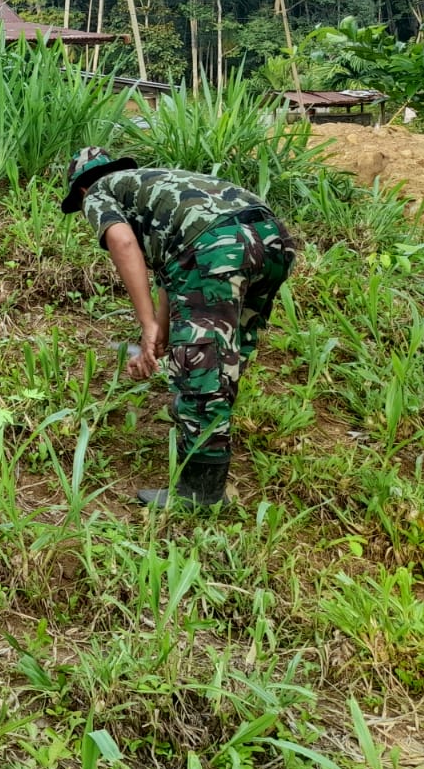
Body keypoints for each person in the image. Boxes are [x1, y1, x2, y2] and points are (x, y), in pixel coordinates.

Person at [61, 147, 296, 510]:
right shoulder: (159, 185)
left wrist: (146, 323)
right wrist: (160, 340)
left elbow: (123, 242)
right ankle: (203, 426)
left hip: (215, 249)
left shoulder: (98, 193)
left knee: (201, 367)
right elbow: (175, 272)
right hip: (271, 239)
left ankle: (201, 492)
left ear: (79, 191)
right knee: (225, 351)